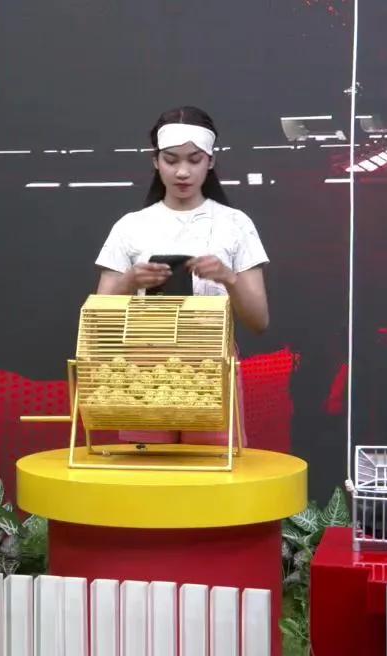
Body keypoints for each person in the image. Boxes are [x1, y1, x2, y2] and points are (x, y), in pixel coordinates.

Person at [93, 105, 270, 446]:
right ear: (155, 161)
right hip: (144, 368)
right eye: (171, 160)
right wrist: (131, 281)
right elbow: (99, 321)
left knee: (212, 469)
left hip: (212, 364)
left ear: (211, 161)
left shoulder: (236, 224)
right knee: (146, 468)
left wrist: (228, 278)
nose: (183, 172)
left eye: (194, 159)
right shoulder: (130, 226)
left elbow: (259, 320)